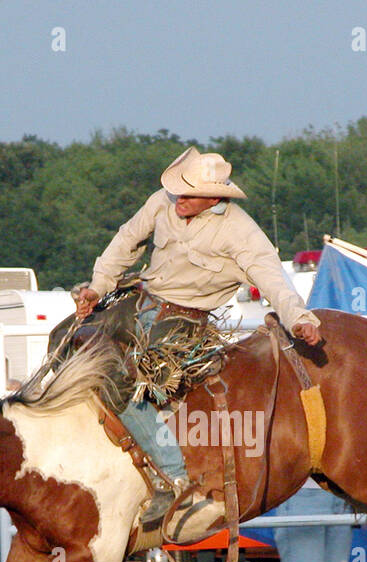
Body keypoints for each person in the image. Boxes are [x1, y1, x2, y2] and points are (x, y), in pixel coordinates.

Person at [74, 146, 322, 522]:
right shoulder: (163, 201)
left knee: (125, 380)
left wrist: (299, 319)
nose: (180, 199)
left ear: (215, 198)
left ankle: (174, 479)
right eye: (179, 190)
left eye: (189, 193)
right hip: (141, 303)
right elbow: (126, 240)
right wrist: (97, 286)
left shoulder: (241, 232)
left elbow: (274, 281)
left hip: (184, 325)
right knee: (69, 338)